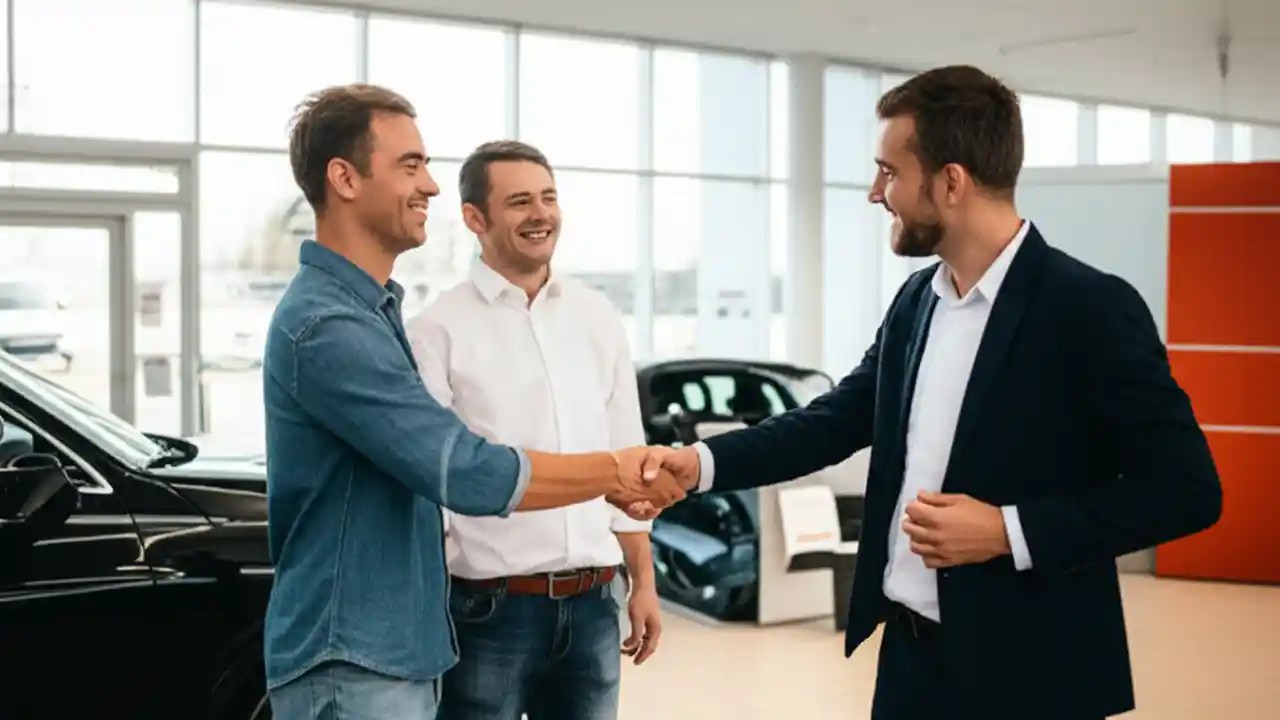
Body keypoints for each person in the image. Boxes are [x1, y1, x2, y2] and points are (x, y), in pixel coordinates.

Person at [659, 65, 1222, 719]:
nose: (876, 193)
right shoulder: (916, 302)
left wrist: (1007, 530)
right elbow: (835, 420)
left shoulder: (1088, 308)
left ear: (951, 182)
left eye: (890, 172)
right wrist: (698, 464)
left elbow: (1187, 491)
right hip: (911, 664)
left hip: (1032, 678)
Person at [262, 84, 683, 720]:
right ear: (344, 178)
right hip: (362, 654)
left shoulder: (371, 314)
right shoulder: (332, 328)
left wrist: (637, 569)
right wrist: (614, 471)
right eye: (410, 165)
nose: (428, 185)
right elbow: (461, 469)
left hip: (397, 647)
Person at [405, 140, 661, 720]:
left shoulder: (596, 316)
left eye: (548, 198)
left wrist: (642, 581)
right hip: (490, 611)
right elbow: (433, 483)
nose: (540, 214)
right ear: (475, 218)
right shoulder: (437, 330)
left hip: (596, 603)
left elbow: (627, 458)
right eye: (519, 201)